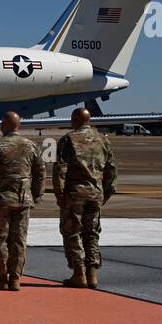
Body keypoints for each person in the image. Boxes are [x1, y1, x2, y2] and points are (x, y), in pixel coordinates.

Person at [0, 111, 45, 291]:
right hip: (23, 200)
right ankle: (15, 277)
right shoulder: (31, 146)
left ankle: (1, 277)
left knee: (0, 240)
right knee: (19, 240)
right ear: (19, 126)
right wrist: (36, 195)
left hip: (0, 200)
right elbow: (40, 173)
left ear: (3, 125)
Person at [53, 107, 118, 288]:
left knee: (72, 232)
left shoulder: (68, 140)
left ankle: (79, 273)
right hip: (95, 194)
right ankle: (93, 273)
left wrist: (60, 195)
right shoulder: (102, 140)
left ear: (75, 120)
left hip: (75, 194)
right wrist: (106, 192)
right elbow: (111, 169)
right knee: (92, 234)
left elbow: (60, 170)